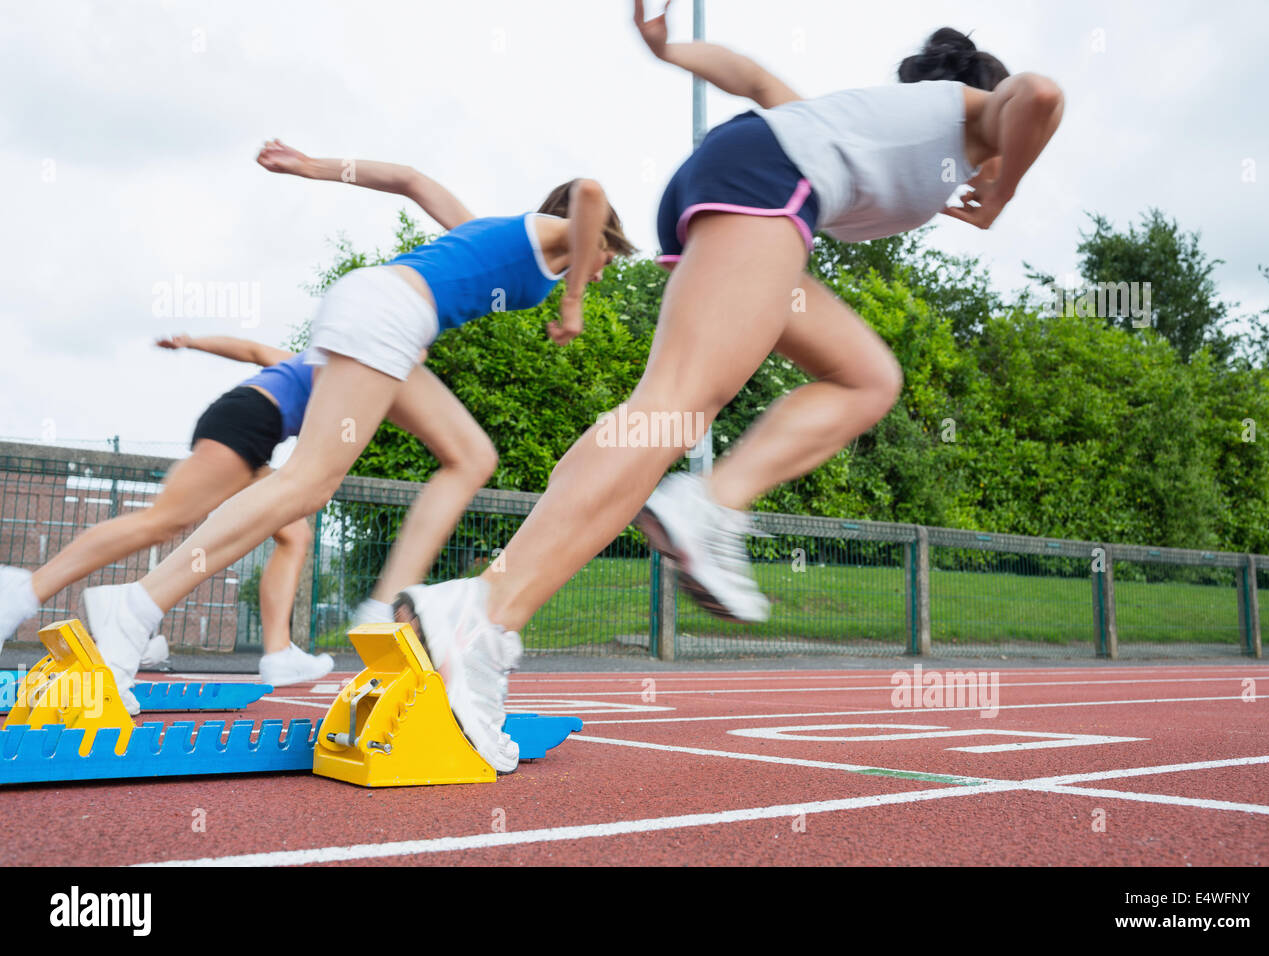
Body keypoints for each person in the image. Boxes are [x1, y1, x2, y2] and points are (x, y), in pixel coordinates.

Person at [393, 7, 1064, 746]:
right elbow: (1039, 96)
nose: (991, 173)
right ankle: (484, 616)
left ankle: (705, 506)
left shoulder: (868, 124)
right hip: (767, 188)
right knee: (673, 408)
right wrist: (1003, 189)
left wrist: (672, 49)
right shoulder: (972, 116)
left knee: (865, 377)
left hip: (755, 188)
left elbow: (755, 80)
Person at [73, 142, 632, 773]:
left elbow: (412, 179)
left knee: (470, 456)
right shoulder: (558, 232)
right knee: (307, 485)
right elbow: (588, 191)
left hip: (390, 317)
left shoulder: (492, 234)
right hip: (387, 315)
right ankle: (138, 606)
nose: (602, 269)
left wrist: (310, 164)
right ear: (601, 242)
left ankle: (385, 604)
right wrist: (574, 298)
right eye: (607, 257)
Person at [0, 335, 333, 686]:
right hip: (248, 421)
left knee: (293, 532)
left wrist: (190, 342)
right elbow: (256, 355)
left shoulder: (318, 364)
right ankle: (22, 592)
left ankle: (279, 654)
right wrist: (191, 342)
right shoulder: (343, 365)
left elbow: (254, 351)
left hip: (249, 424)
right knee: (162, 522)